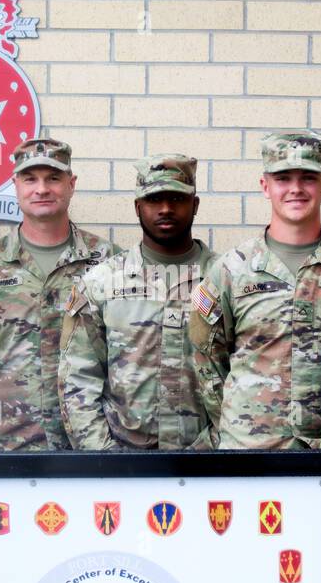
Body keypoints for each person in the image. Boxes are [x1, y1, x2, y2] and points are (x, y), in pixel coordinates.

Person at [189, 130, 321, 449]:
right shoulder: (231, 269)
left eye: (308, 178)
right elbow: (207, 358)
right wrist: (239, 423)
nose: (296, 189)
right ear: (266, 186)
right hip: (249, 451)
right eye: (283, 178)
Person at [0, 138, 118, 451]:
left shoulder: (107, 263)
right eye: (30, 179)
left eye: (53, 178)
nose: (42, 189)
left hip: (87, 445)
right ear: (15, 185)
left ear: (71, 184)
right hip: (6, 445)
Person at [59, 153, 215, 450]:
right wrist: (106, 458)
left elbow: (241, 376)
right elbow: (78, 378)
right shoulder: (101, 282)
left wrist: (209, 451)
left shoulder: (223, 279)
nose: (166, 209)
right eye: (154, 200)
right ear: (137, 207)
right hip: (123, 465)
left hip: (208, 462)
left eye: (177, 199)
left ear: (194, 205)